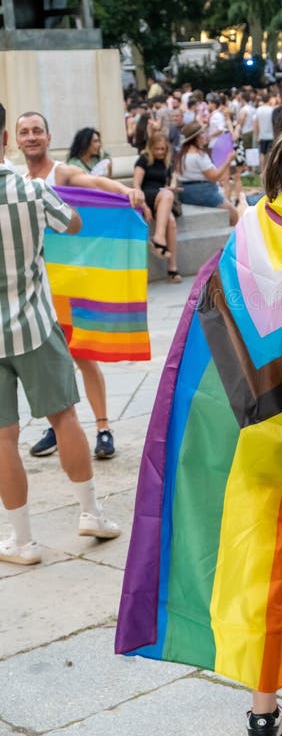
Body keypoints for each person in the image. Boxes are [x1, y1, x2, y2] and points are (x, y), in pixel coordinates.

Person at [116, 122, 282, 736]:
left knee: (264, 569)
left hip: (244, 439)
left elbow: (198, 349)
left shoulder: (242, 237)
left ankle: (262, 709)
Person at [0, 105, 121, 565]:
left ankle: (22, 540)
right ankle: (90, 512)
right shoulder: (31, 190)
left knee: (3, 438)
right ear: (6, 137)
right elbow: (74, 223)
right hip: (33, 323)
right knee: (64, 418)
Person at [17, 112, 144, 461]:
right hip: (37, 288)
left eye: (37, 131)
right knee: (49, 363)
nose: (31, 137)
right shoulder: (20, 182)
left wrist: (125, 190)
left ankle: (103, 428)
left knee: (83, 356)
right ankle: (58, 426)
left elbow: (97, 184)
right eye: (24, 132)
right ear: (16, 140)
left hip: (72, 282)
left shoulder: (63, 172)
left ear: (48, 136)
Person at [133, 130, 181, 283]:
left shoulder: (167, 163)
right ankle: (159, 238)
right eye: (157, 149)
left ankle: (172, 267)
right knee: (167, 195)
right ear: (151, 148)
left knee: (172, 223)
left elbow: (166, 183)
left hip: (161, 198)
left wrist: (172, 187)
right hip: (146, 196)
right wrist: (144, 206)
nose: (160, 152)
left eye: (163, 149)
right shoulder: (143, 159)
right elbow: (136, 185)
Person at [174, 122, 238, 225]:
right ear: (197, 137)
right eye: (203, 133)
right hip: (203, 192)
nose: (206, 136)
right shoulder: (199, 155)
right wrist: (228, 161)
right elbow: (213, 177)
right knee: (234, 214)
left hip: (185, 192)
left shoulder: (181, 155)